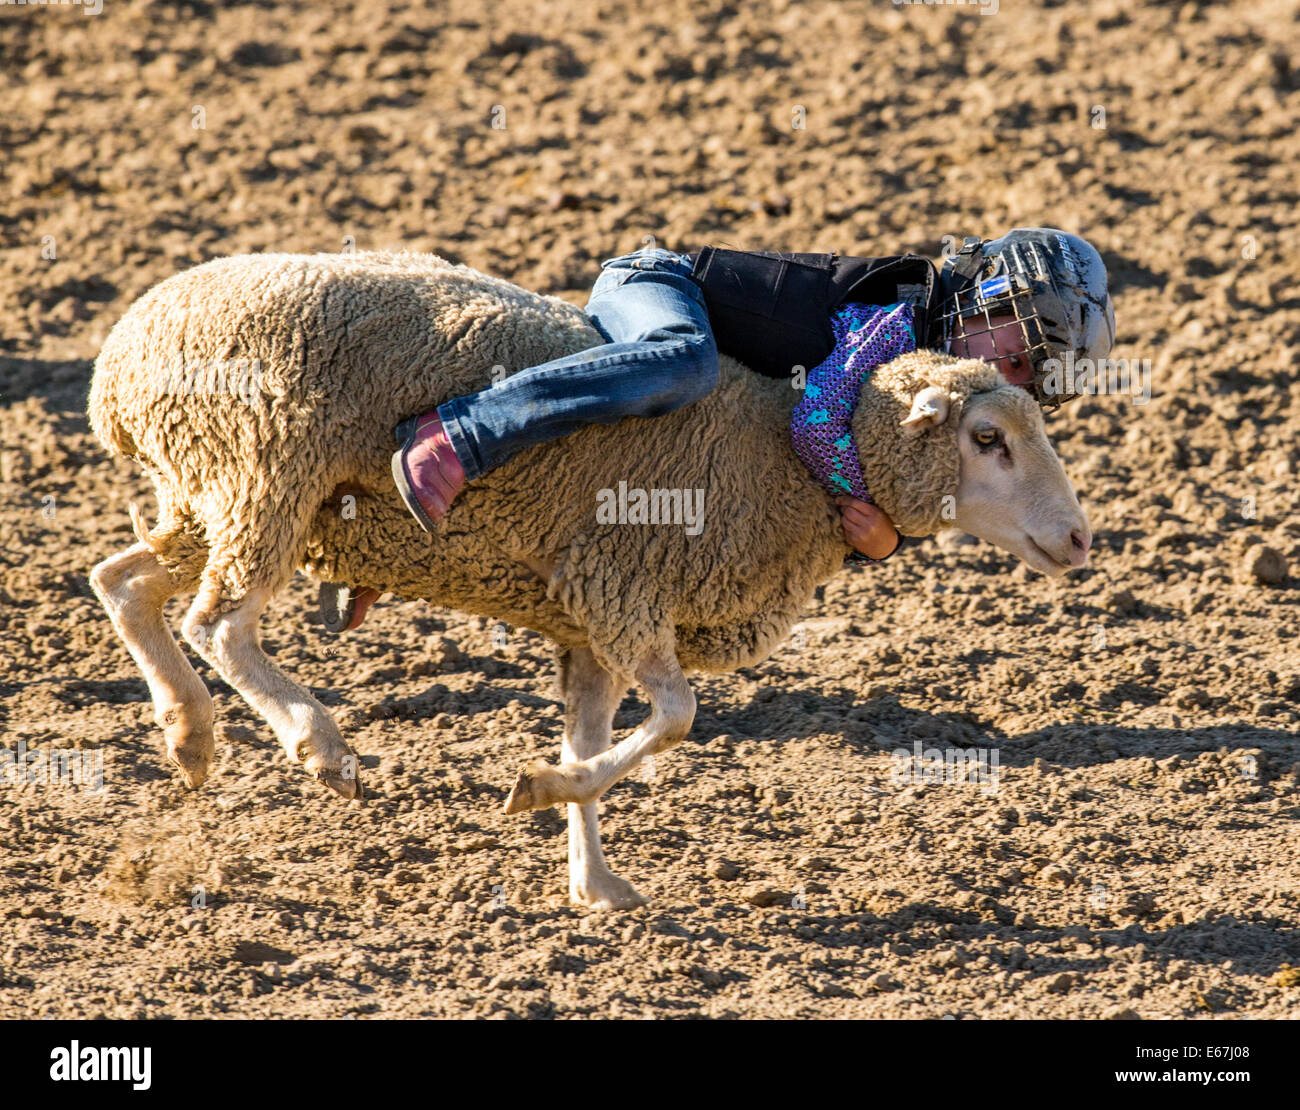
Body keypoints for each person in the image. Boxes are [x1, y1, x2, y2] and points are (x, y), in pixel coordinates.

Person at [320, 229, 1115, 632]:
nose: (1007, 379)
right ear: (985, 299)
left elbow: (888, 492)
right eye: (1013, 353)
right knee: (683, 364)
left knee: (602, 484)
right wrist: (871, 527)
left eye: (1028, 380)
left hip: (693, 412)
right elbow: (816, 418)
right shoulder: (897, 319)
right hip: (658, 286)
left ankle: (403, 539)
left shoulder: (936, 399)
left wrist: (884, 541)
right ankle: (456, 432)